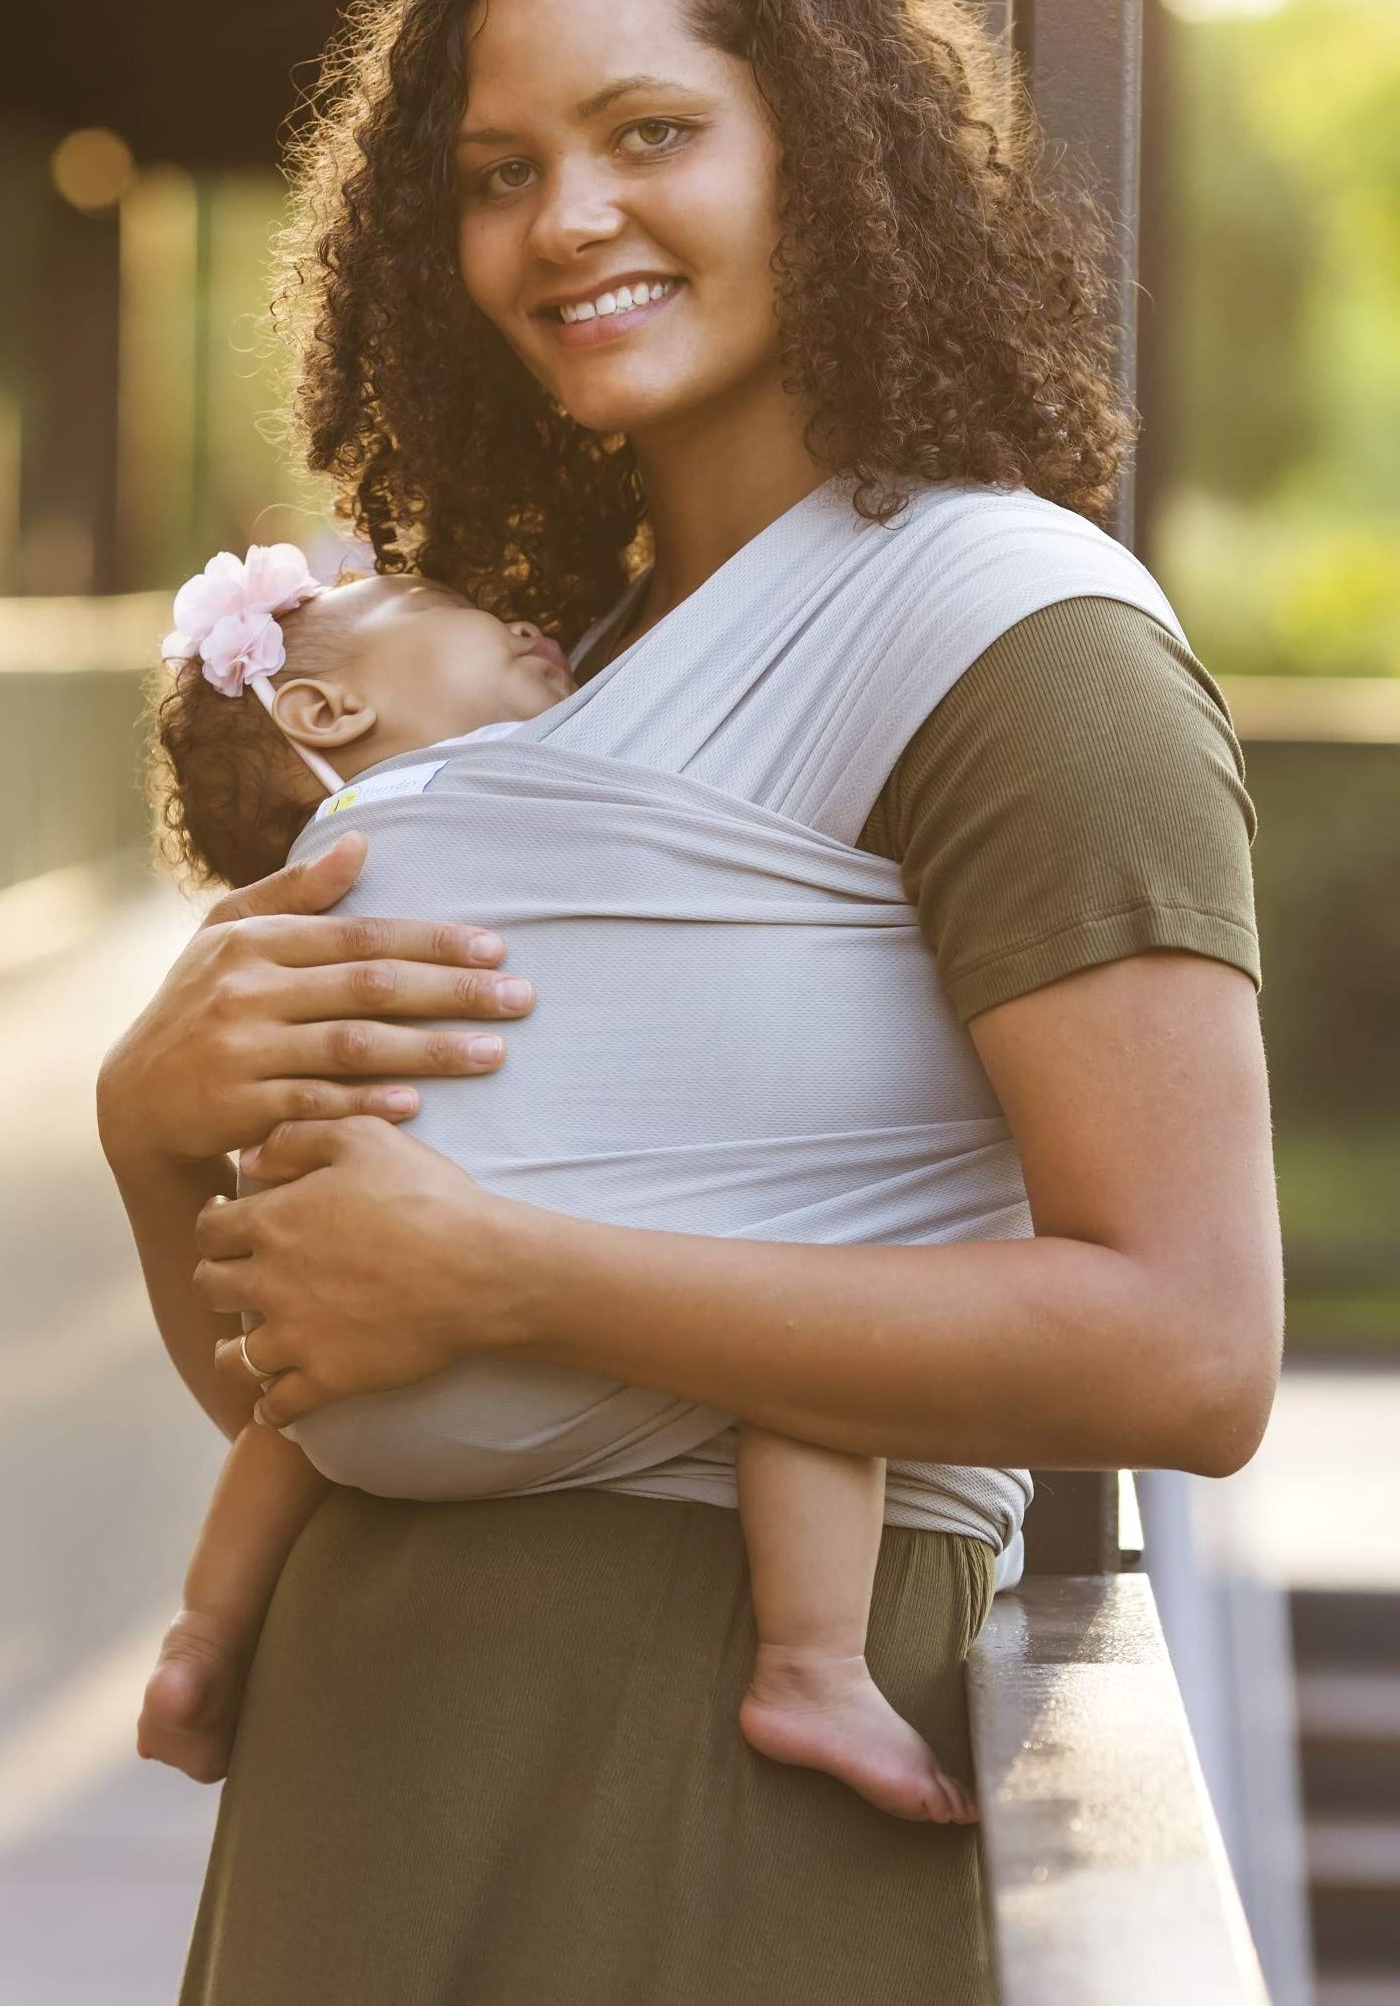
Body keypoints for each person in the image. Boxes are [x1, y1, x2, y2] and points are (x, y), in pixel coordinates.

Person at [97, 0, 1281, 2006]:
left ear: (821, 153)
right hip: (357, 1777)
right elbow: (315, 1376)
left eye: (650, 131)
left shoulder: (1013, 647)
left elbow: (1191, 1347)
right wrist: (152, 1130)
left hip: (705, 1826)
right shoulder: (574, 669)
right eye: (495, 170)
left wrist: (515, 1270)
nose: (568, 221)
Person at [134, 535, 991, 1825]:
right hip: (592, 1325)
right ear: (324, 708)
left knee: (281, 1403)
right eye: (454, 607)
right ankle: (812, 1666)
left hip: (356, 1407)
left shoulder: (302, 905)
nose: (522, 617)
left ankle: (204, 1631)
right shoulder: (543, 786)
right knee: (811, 1323)